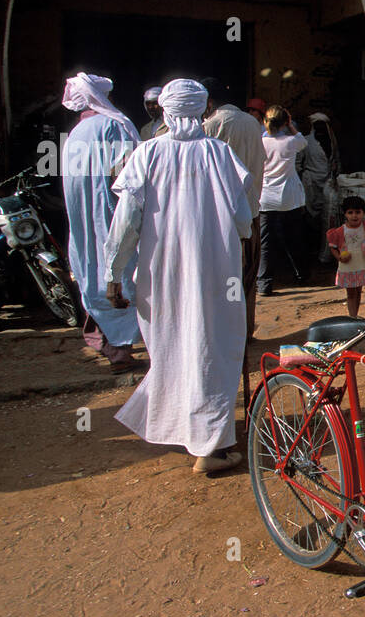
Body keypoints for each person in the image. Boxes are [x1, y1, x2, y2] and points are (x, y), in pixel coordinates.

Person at [103, 79, 254, 474]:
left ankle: (198, 436)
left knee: (174, 345)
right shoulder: (220, 155)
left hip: (162, 271)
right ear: (204, 111)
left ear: (164, 111)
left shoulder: (146, 154)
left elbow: (125, 224)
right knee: (211, 346)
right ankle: (210, 445)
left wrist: (113, 273)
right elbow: (242, 221)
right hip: (217, 269)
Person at [60, 72, 142, 372]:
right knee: (119, 274)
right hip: (111, 215)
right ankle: (120, 348)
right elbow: (127, 173)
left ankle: (99, 335)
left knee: (90, 268)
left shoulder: (76, 133)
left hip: (83, 220)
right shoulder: (113, 125)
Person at [202, 78, 266, 337]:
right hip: (250, 210)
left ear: (208, 102)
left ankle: (227, 333)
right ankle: (244, 330)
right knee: (247, 276)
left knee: (225, 278)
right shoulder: (252, 123)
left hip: (222, 216)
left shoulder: (210, 125)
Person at [259, 105, 309, 295]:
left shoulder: (260, 141)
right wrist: (291, 126)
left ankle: (264, 283)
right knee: (294, 239)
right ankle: (301, 275)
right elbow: (303, 141)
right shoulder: (291, 141)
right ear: (285, 122)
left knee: (266, 243)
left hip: (266, 197)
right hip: (289, 198)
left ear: (266, 121)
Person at [325, 195, 365, 318]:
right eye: (350, 212)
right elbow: (333, 247)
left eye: (358, 212)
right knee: (351, 293)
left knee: (358, 291)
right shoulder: (340, 231)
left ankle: (355, 315)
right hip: (348, 265)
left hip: (361, 263)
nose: (354, 216)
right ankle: (352, 317)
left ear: (363, 213)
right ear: (345, 214)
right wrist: (339, 257)